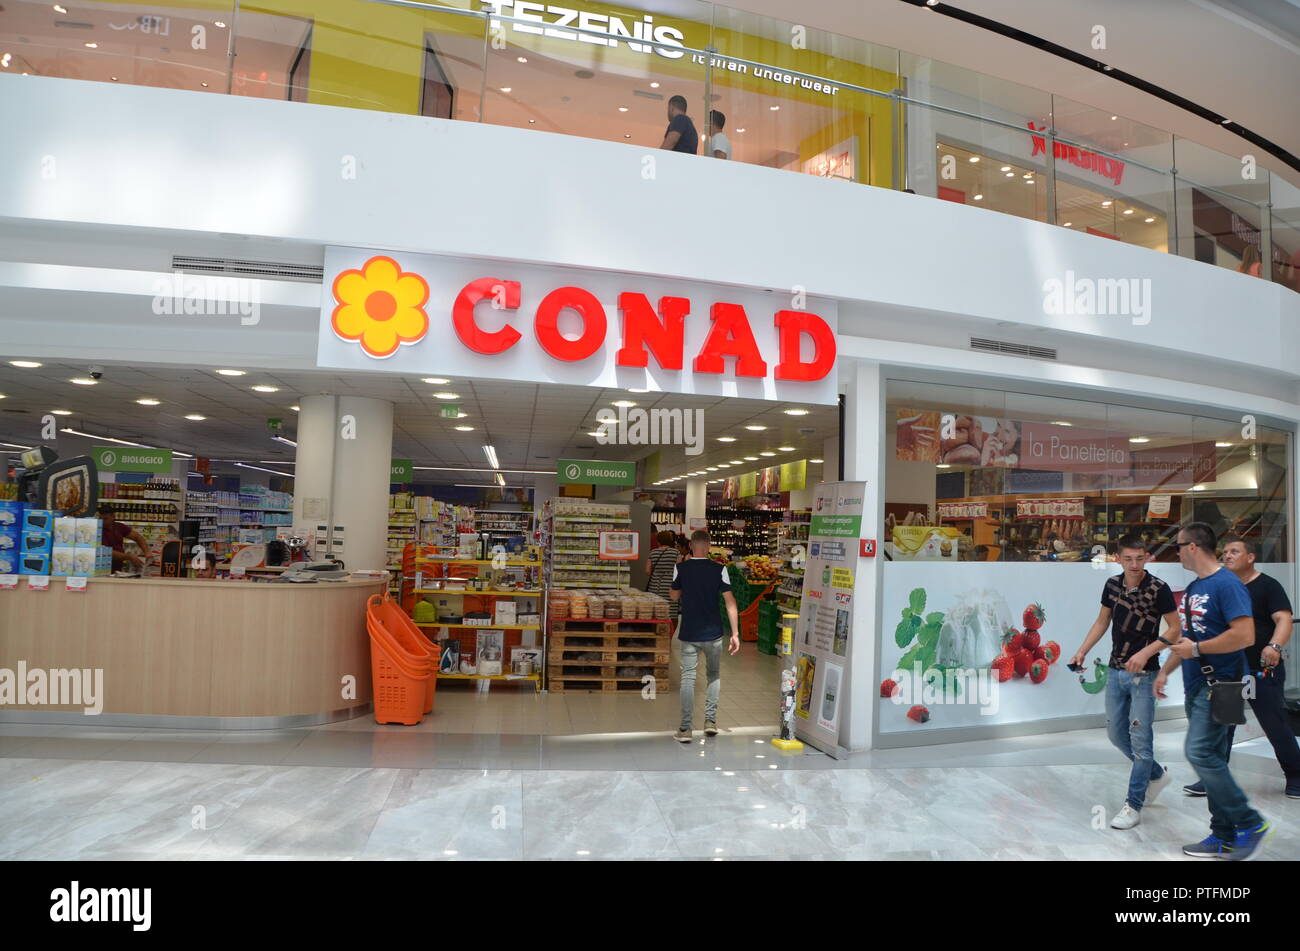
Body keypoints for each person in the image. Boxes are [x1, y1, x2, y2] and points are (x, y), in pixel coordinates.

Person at [1153, 522, 1271, 860]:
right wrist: (1165, 669)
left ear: (1192, 546)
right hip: (1198, 686)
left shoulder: (1227, 585)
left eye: (1177, 546)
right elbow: (1186, 640)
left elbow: (1245, 636)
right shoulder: (1193, 588)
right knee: (1214, 759)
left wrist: (1198, 650)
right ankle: (1223, 836)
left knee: (1200, 752)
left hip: (1224, 686)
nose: (1175, 552)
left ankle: (1250, 823)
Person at [1070, 535, 1180, 829]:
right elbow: (1102, 621)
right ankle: (1156, 773)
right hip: (1116, 670)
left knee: (1142, 743)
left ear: (1147, 558)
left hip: (1145, 676)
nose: (1134, 564)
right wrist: (1082, 650)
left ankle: (1133, 804)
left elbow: (1176, 629)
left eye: (1139, 558)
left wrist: (1147, 652)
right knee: (1117, 735)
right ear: (1118, 559)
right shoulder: (1112, 586)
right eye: (1128, 559)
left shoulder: (1159, 589)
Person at [1181, 537, 1300, 799]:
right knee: (1223, 726)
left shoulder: (1268, 586)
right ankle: (1213, 777)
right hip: (1229, 669)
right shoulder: (1223, 586)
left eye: (1235, 551)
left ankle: (1296, 774)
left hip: (1261, 667)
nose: (1228, 556)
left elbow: (1284, 619)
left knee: (1274, 722)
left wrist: (1275, 646)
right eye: (1225, 552)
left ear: (1251, 557)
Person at [669, 530, 739, 742]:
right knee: (713, 675)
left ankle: (685, 728)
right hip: (713, 633)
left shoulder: (680, 567)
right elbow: (730, 602)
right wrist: (735, 633)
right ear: (708, 546)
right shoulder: (720, 569)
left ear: (691, 545)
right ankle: (710, 722)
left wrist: (685, 586)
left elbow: (673, 595)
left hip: (689, 631)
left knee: (688, 678)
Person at [100, 504, 151, 573]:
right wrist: (129, 557)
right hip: (103, 567)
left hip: (118, 566)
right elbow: (107, 552)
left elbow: (137, 537)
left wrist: (147, 552)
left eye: (105, 519)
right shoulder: (99, 530)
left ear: (113, 517)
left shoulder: (119, 527)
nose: (102, 521)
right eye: (100, 518)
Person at [645, 530, 681, 619]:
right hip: (670, 587)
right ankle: (669, 632)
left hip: (655, 586)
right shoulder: (676, 553)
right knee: (670, 612)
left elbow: (647, 571)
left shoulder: (653, 552)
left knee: (656, 612)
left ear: (658, 541)